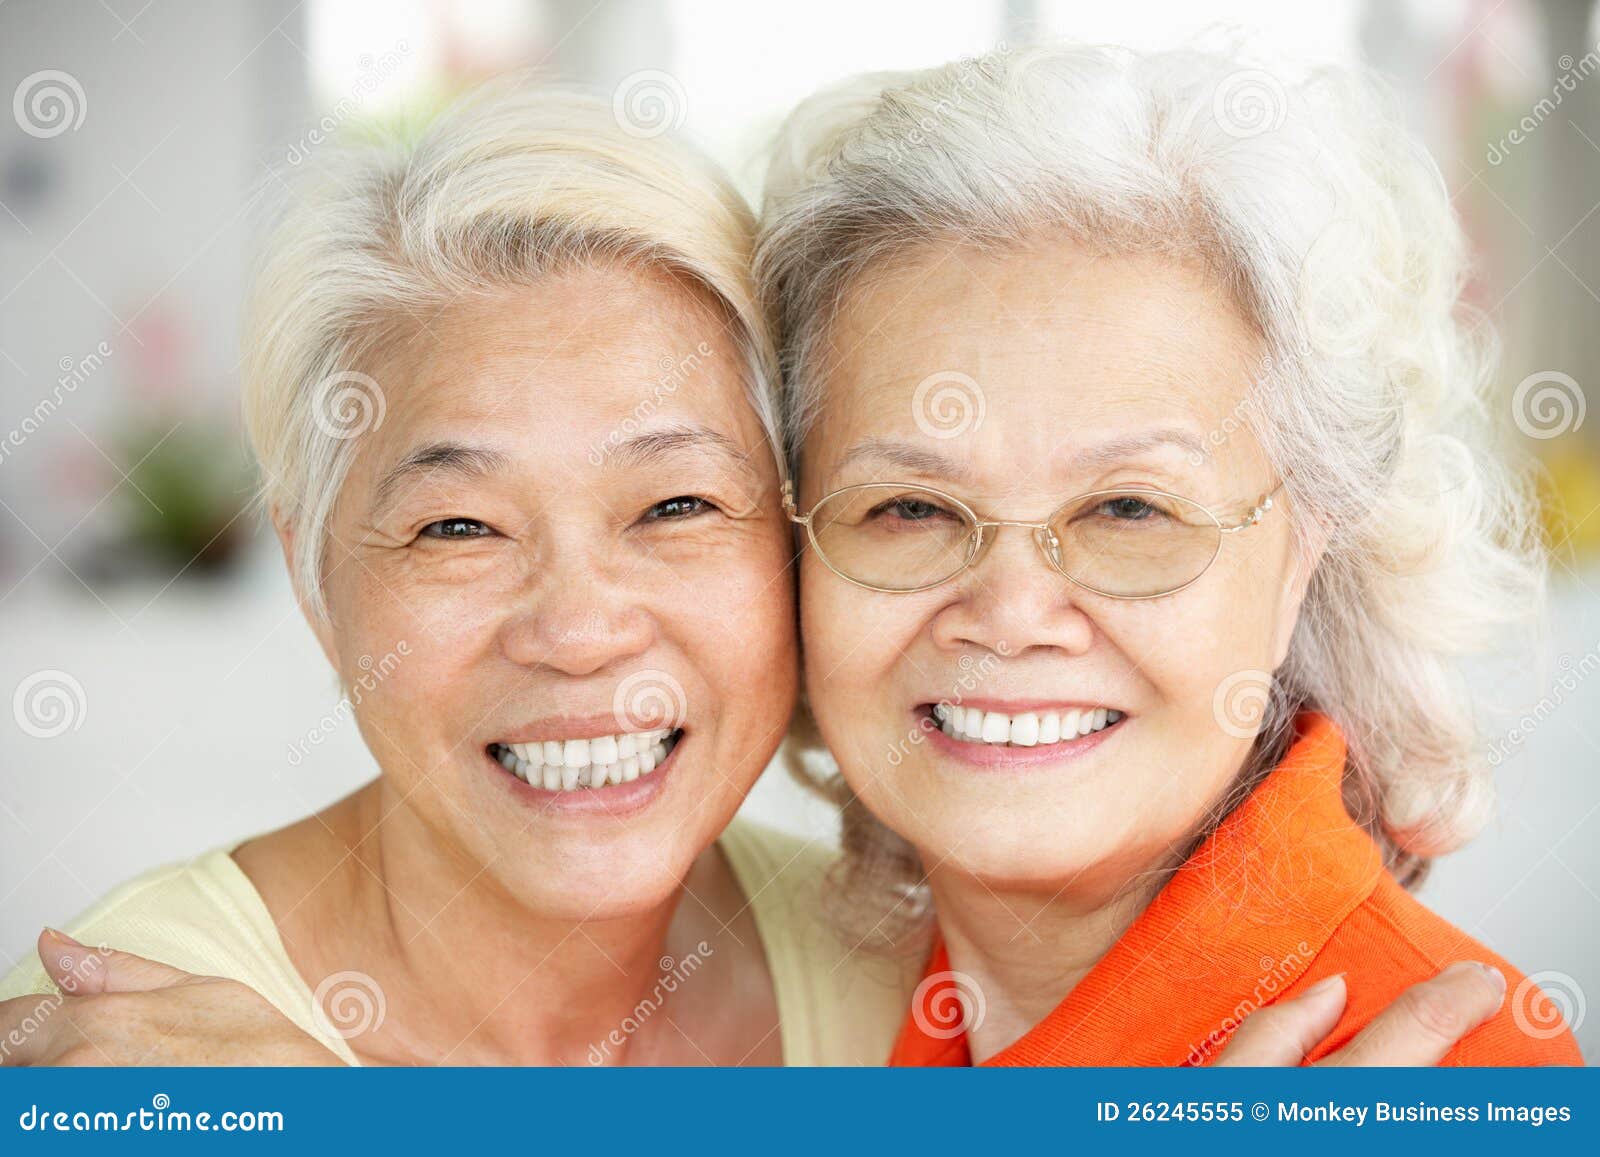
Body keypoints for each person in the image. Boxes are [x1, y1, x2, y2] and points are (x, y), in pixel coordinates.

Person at [1, 71, 1512, 1070]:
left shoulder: (895, 962)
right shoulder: (139, 1044)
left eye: (674, 503)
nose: (580, 627)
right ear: (313, 580)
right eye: (458, 526)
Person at [756, 42, 1584, 1065]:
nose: (1010, 613)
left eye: (1129, 509)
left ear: (1301, 556)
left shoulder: (1455, 1071)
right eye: (912, 506)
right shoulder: (818, 1021)